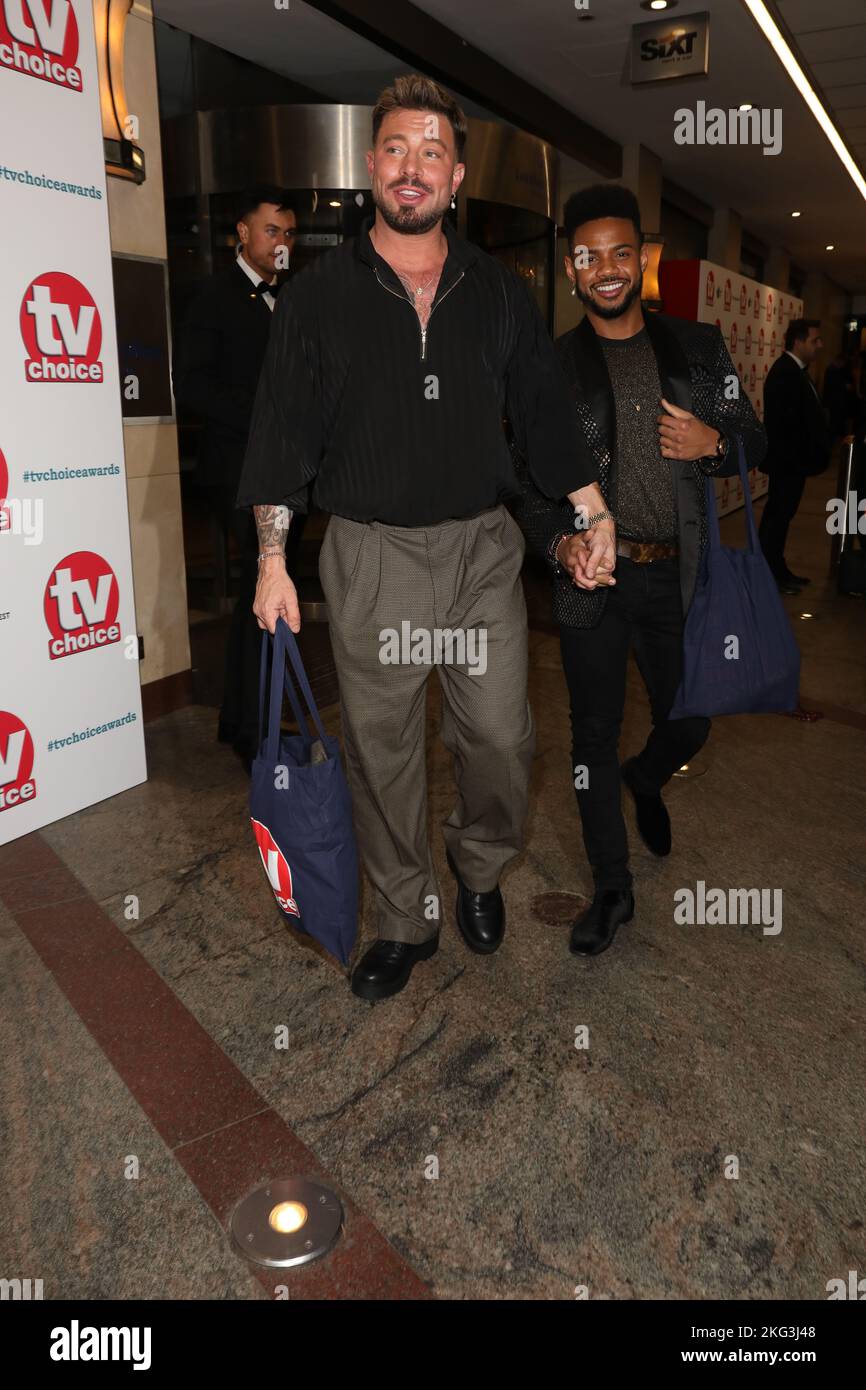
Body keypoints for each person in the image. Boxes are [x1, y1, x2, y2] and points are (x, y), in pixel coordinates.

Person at [236, 75, 614, 1000]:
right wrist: (272, 560)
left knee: (500, 738)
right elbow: (282, 432)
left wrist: (592, 512)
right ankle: (408, 917)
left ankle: (479, 867)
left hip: (481, 555)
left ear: (457, 176)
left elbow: (544, 411)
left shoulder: (498, 291)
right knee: (382, 750)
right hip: (368, 559)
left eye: (432, 152)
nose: (414, 168)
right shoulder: (319, 298)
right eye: (398, 149)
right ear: (372, 165)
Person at [512, 184, 766, 957]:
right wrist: (561, 548)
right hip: (594, 580)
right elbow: (526, 488)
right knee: (589, 736)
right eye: (592, 257)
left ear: (642, 259)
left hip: (678, 575)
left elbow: (758, 437)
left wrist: (714, 446)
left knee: (690, 717)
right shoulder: (549, 368)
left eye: (624, 252)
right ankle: (611, 887)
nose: (609, 269)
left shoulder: (699, 347)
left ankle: (648, 776)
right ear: (573, 267)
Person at [173, 185, 301, 766]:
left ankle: (246, 720)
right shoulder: (214, 296)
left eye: (290, 233)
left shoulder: (291, 299)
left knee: (264, 602)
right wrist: (263, 410)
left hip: (283, 475)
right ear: (242, 235)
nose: (282, 243)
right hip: (237, 474)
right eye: (271, 230)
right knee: (261, 600)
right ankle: (255, 732)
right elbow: (192, 384)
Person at [758, 319, 832, 594]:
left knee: (781, 518)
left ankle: (777, 569)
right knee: (777, 518)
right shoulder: (784, 373)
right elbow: (784, 427)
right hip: (787, 464)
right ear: (798, 342)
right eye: (815, 340)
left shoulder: (797, 371)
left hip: (794, 464)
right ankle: (770, 574)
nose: (820, 346)